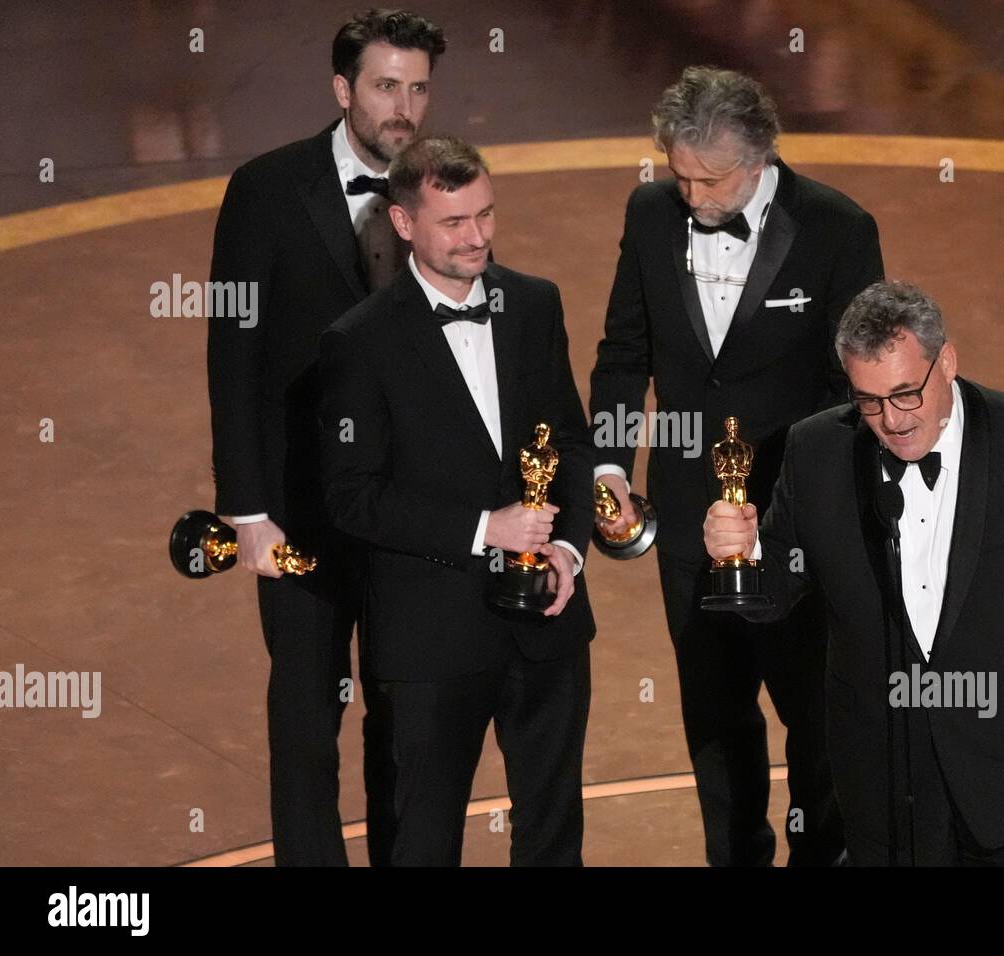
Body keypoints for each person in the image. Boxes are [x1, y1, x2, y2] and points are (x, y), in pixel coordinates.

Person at [704, 281, 1004, 865]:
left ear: (946, 362)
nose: (891, 420)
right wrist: (739, 558)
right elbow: (778, 590)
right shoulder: (817, 451)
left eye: (905, 394)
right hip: (885, 785)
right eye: (868, 400)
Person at [589, 66, 884, 866]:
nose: (691, 195)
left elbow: (849, 390)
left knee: (814, 718)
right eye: (680, 174)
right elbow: (625, 353)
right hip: (688, 514)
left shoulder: (837, 228)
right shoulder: (650, 213)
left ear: (760, 159)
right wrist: (609, 468)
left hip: (795, 523)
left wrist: (782, 506)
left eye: (710, 179)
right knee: (714, 718)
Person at [205, 9, 445, 865]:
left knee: (403, 715)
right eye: (386, 87)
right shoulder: (266, 189)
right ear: (344, 89)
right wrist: (246, 513)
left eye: (418, 88)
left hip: (402, 510)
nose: (404, 108)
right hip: (297, 512)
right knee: (307, 717)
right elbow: (231, 359)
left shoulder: (440, 188)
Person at [318, 136, 595, 866]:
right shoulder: (359, 342)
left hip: (548, 621)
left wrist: (568, 551)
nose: (477, 237)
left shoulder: (535, 303)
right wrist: (485, 529)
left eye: (485, 215)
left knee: (554, 833)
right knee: (423, 840)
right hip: (431, 638)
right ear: (404, 224)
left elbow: (570, 437)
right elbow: (350, 499)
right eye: (454, 222)